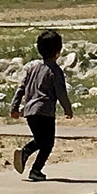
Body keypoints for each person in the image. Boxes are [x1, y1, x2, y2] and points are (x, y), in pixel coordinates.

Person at [9, 29, 74, 181]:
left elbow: (21, 88)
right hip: (45, 112)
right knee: (48, 143)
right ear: (58, 51)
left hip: (30, 112)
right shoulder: (55, 71)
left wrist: (14, 106)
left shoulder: (32, 68)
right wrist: (68, 109)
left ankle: (26, 155)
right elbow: (61, 93)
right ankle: (35, 169)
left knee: (40, 140)